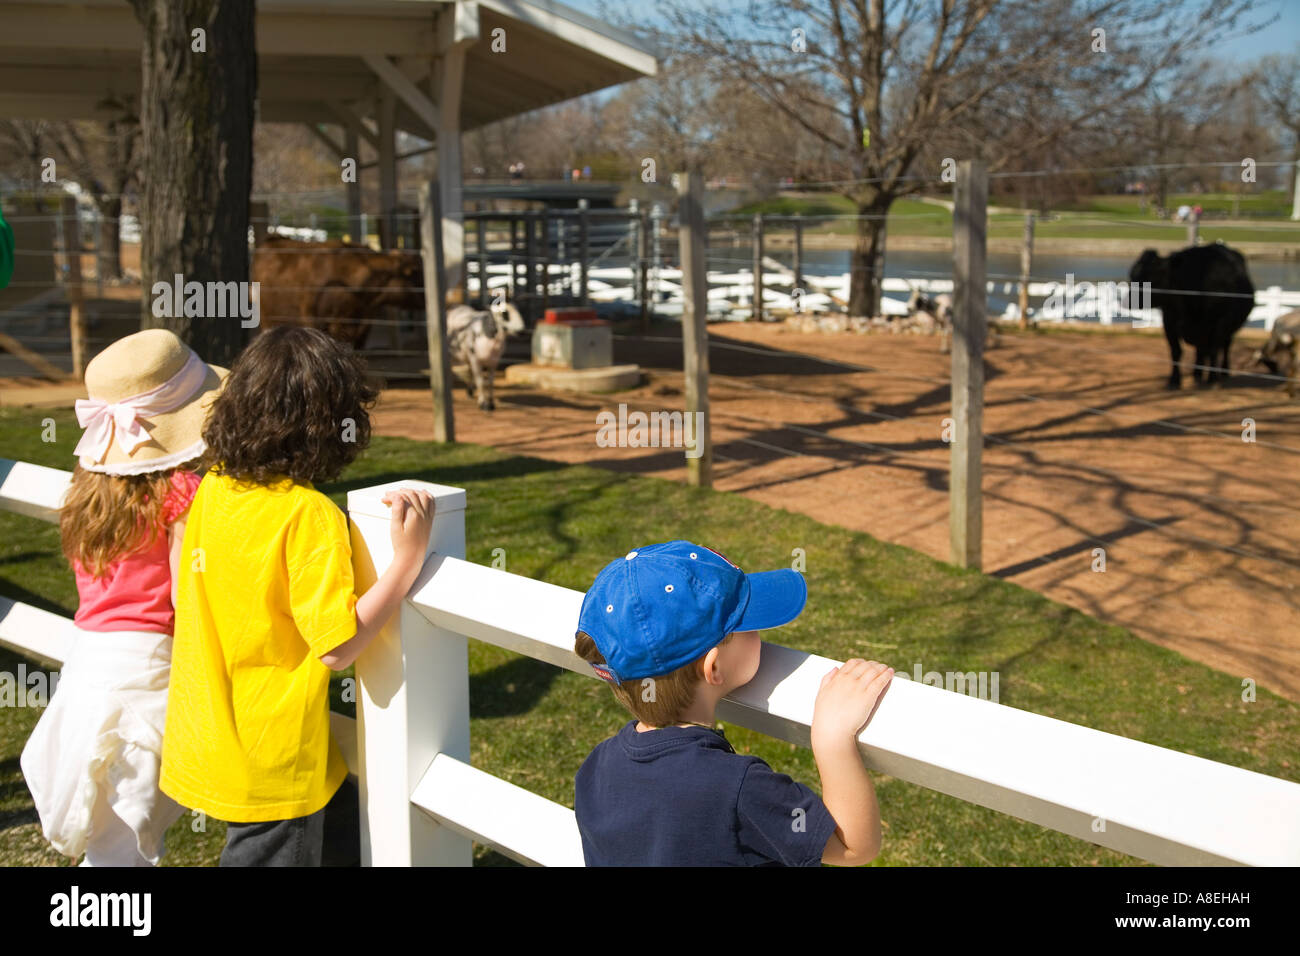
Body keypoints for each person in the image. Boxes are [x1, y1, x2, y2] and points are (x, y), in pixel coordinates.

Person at [159, 326, 435, 866]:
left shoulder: (213, 487)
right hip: (274, 762)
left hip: (214, 734)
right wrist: (406, 561)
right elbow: (336, 646)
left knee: (341, 838)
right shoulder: (307, 515)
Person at [20, 328, 226, 865]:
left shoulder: (84, 493)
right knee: (128, 826)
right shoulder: (184, 493)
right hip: (150, 667)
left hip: (87, 660)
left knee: (104, 825)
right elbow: (187, 594)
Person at [572, 540, 893, 866]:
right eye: (745, 625)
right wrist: (832, 739)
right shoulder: (737, 789)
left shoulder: (595, 770)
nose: (759, 633)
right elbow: (852, 846)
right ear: (714, 668)